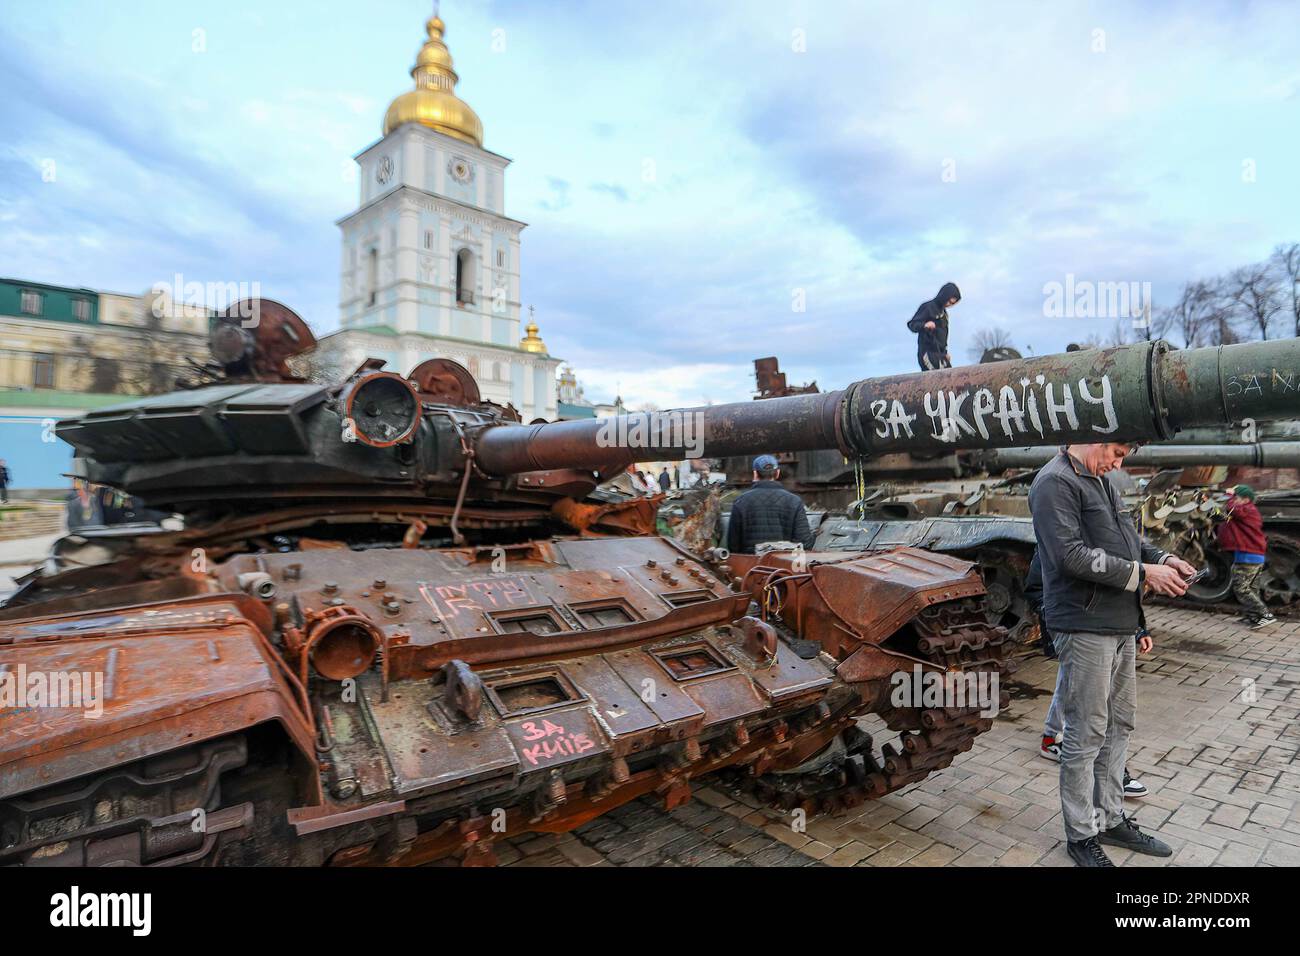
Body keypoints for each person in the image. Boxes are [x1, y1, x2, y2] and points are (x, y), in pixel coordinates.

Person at [1029, 441, 1196, 867]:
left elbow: (1127, 540)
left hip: (1120, 622)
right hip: (1084, 625)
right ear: (1091, 436)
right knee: (1085, 734)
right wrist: (1144, 573)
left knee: (1119, 722)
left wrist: (1164, 558)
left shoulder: (1100, 480)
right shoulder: (1054, 482)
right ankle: (1081, 835)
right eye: (1117, 452)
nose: (1119, 463)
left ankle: (1110, 817)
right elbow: (1069, 556)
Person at [1030, 549, 1151, 797]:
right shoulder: (1059, 536)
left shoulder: (1108, 537)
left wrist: (1139, 628)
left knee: (1084, 692)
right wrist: (1059, 619)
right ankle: (1062, 744)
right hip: (1076, 626)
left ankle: (1102, 768)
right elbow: (1035, 586)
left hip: (1108, 627)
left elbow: (1122, 589)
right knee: (1087, 708)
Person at [726, 455, 814, 555]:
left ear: (755, 474)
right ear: (777, 473)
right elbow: (804, 542)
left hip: (751, 566)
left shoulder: (740, 501)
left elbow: (733, 545)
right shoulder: (794, 501)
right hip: (785, 566)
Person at [1216, 484, 1276, 629]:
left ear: (1246, 499)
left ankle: (1264, 614)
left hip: (1249, 557)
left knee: (1241, 587)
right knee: (1252, 588)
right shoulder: (1244, 510)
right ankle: (1253, 616)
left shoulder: (1247, 510)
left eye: (1236, 497)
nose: (1233, 500)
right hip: (1250, 555)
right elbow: (1228, 517)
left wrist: (1230, 496)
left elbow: (1233, 511)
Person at [906, 282, 961, 371]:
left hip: (941, 354)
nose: (949, 304)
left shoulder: (944, 314)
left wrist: (945, 352)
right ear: (944, 296)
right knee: (937, 378)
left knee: (951, 377)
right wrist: (924, 325)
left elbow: (943, 337)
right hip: (928, 352)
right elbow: (912, 324)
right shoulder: (928, 307)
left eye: (952, 304)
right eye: (949, 301)